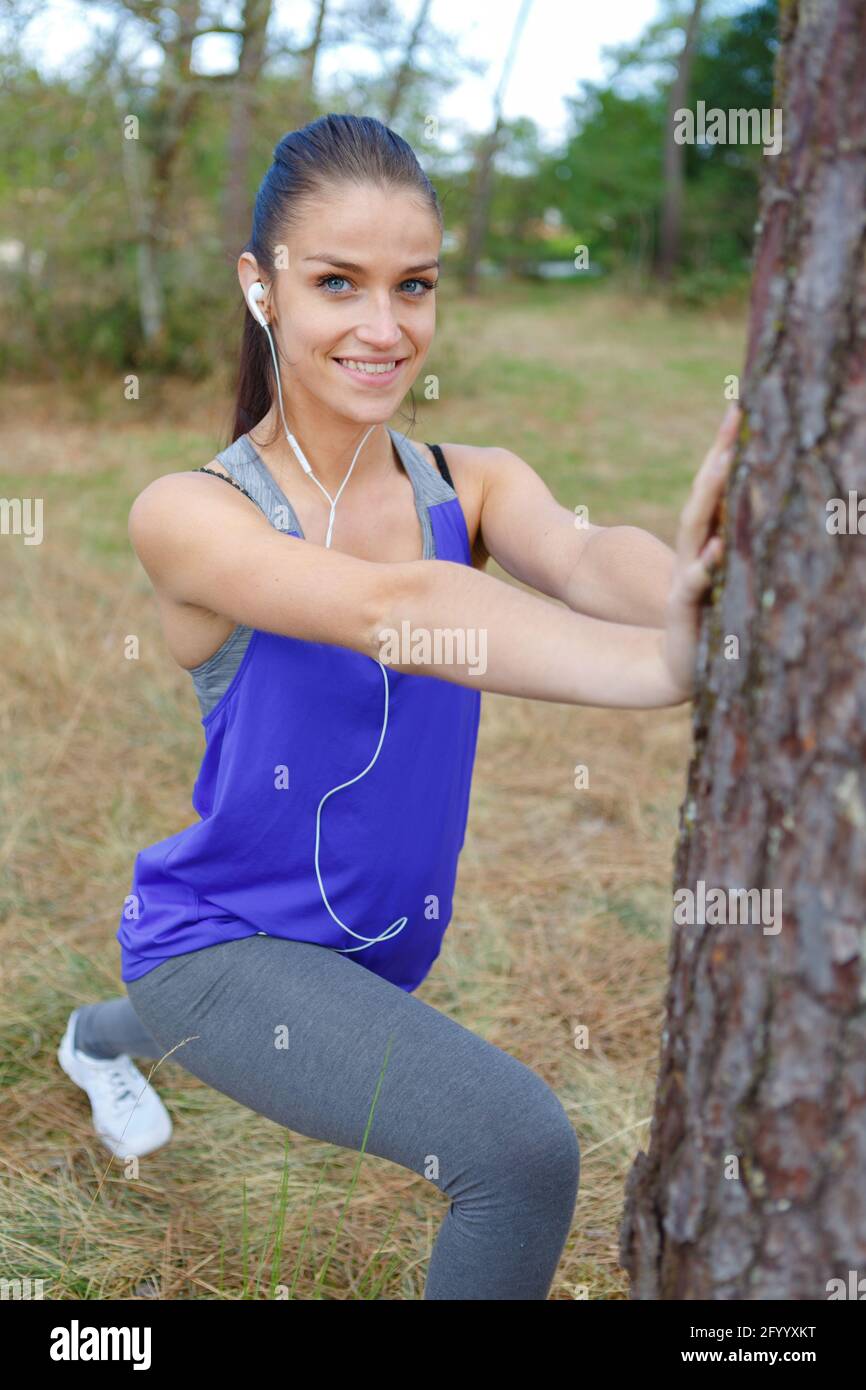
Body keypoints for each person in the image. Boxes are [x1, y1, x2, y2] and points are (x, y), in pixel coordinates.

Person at [57, 113, 738, 1300]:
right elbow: (394, 609)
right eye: (336, 283)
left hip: (372, 944)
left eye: (412, 286)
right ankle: (134, 1017)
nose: (384, 328)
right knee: (516, 1152)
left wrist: (710, 594)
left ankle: (95, 1035)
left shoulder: (466, 482)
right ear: (259, 288)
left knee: (164, 1019)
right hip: (227, 944)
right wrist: (663, 667)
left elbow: (586, 560)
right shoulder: (194, 514)